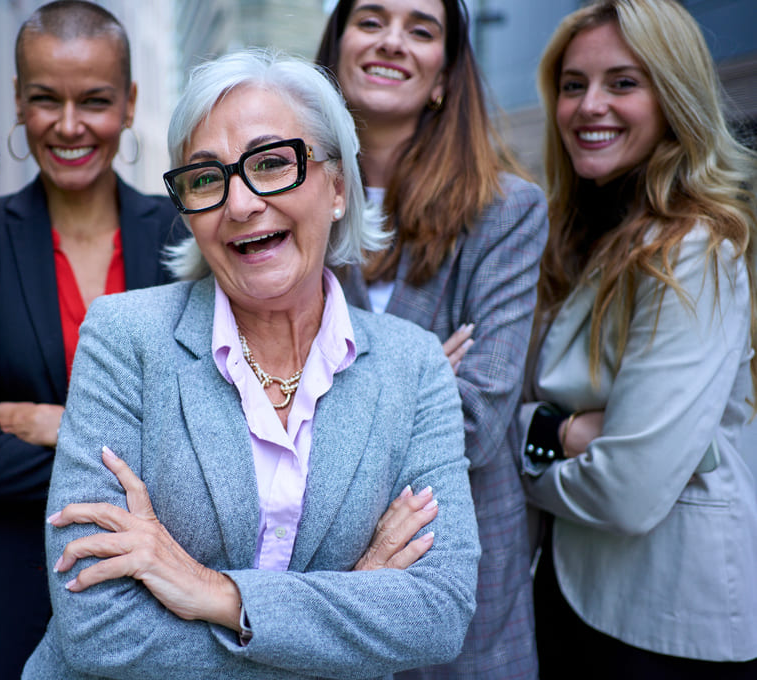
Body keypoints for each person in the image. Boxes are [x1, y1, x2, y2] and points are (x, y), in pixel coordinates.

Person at [20, 49, 480, 680]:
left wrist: (217, 595)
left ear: (338, 186)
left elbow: (438, 612)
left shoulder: (413, 364)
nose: (239, 204)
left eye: (270, 164)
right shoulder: (124, 336)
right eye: (207, 179)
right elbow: (97, 629)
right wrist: (353, 603)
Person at [0, 2, 184, 677]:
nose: (69, 126)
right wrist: (143, 459)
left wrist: (54, 424)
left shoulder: (185, 243)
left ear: (129, 103)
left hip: (153, 612)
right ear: (17, 101)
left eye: (94, 101)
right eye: (46, 100)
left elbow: (219, 442)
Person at [521, 0, 757, 676]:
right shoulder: (579, 231)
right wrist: (568, 430)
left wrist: (539, 435)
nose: (590, 105)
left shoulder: (694, 248)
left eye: (623, 82)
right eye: (573, 85)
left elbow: (627, 491)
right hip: (577, 591)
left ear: (672, 96)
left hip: (665, 618)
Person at [315, 2, 547, 677]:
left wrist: (335, 378)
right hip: (325, 579)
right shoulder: (284, 197)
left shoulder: (505, 211)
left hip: (464, 587)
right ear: (337, 48)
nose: (392, 42)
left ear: (445, 75)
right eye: (372, 21)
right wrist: (420, 372)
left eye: (421, 30)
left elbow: (473, 422)